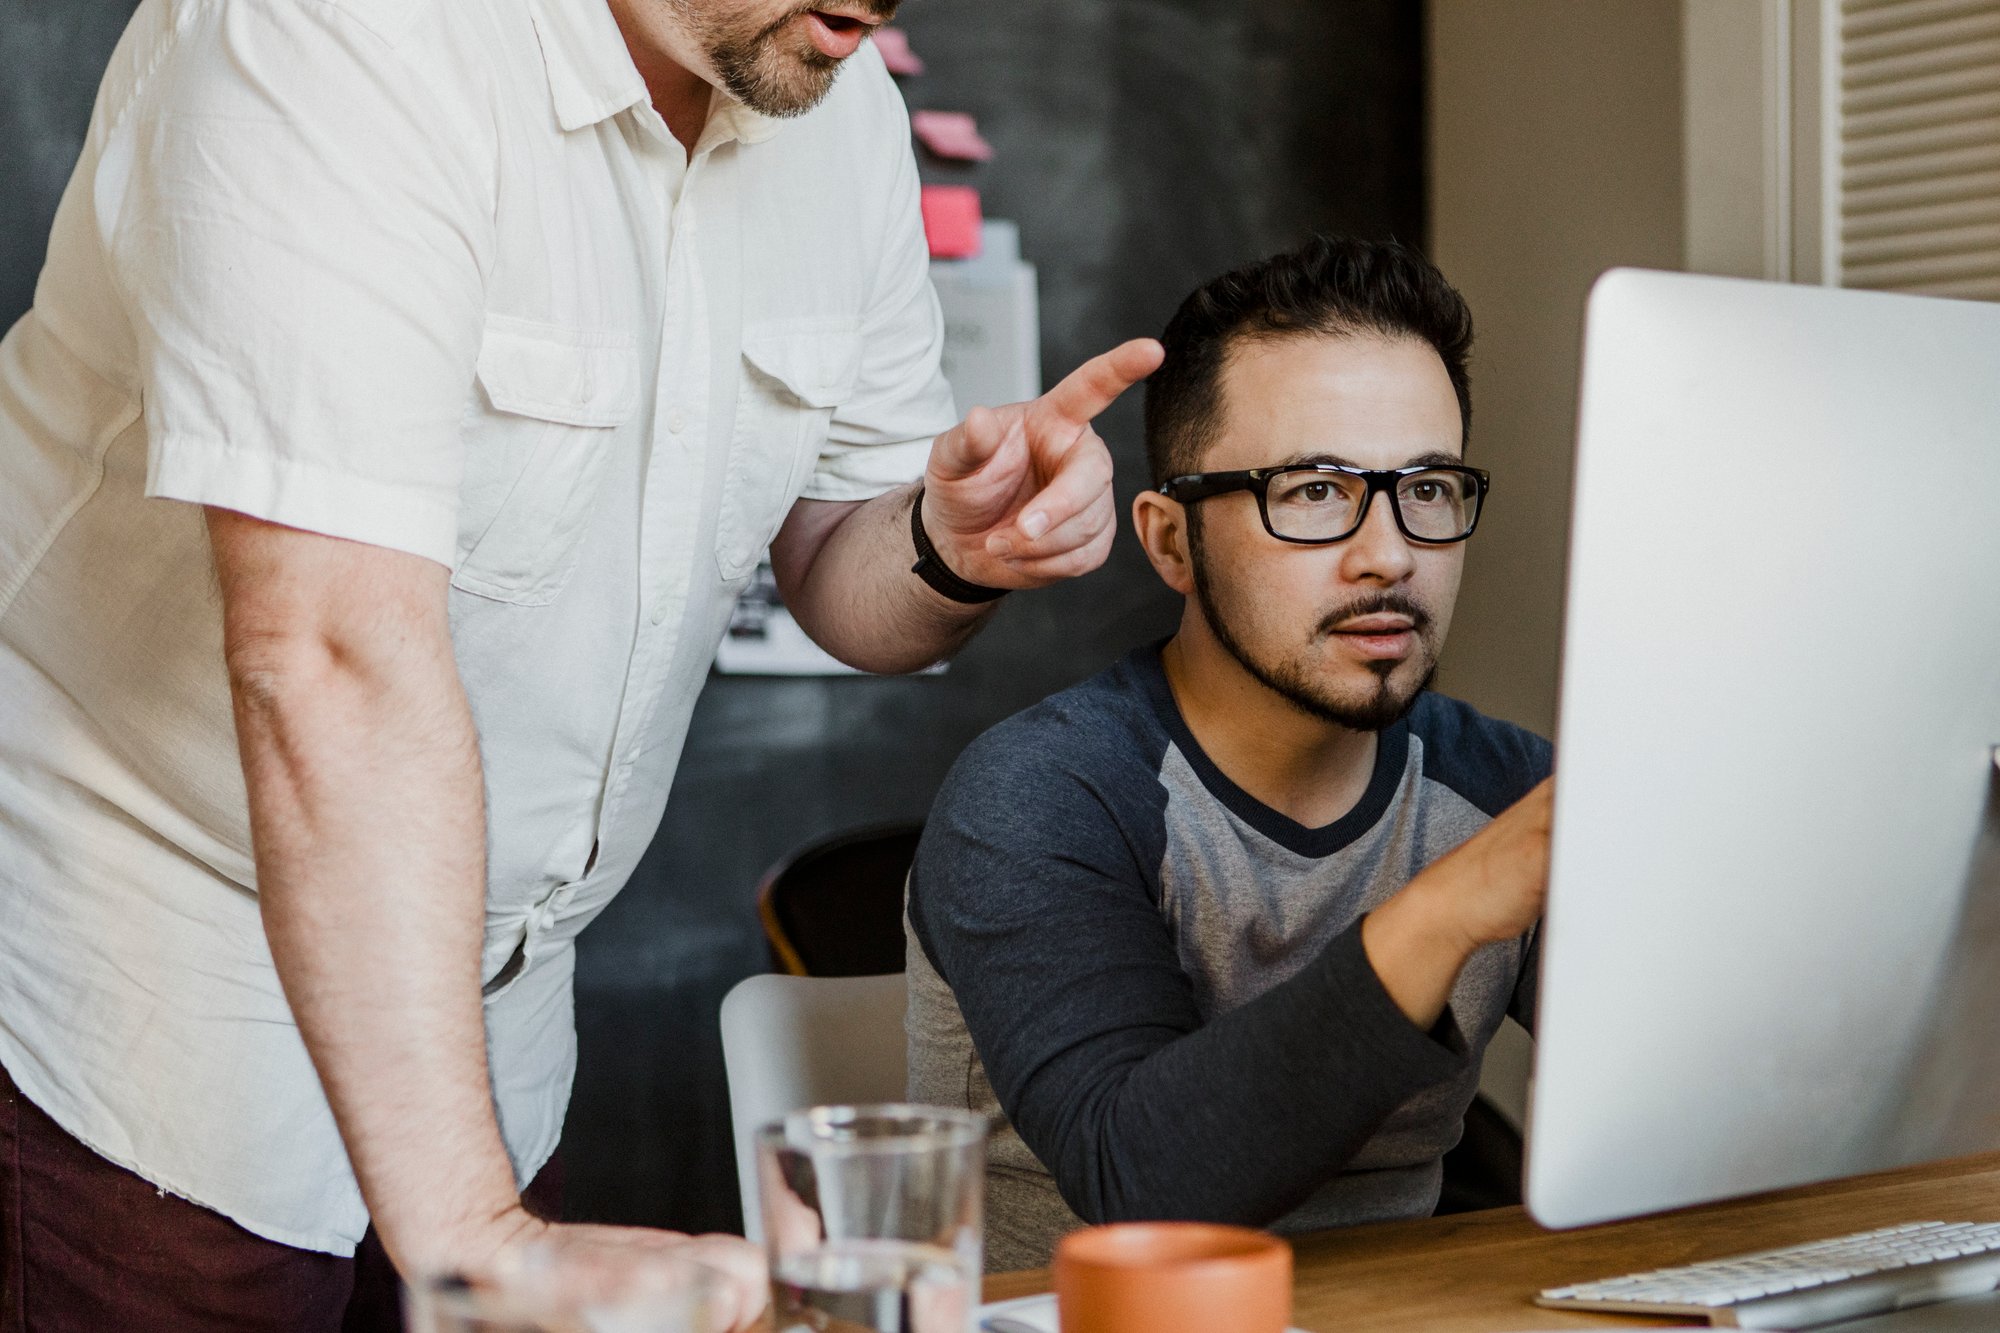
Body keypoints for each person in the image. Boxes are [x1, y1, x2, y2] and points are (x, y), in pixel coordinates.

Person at [0, 0, 1163, 1326]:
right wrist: (480, 1239)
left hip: (489, 1020)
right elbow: (326, 650)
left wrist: (948, 546)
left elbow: (841, 563)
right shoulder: (338, 33)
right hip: (143, 994)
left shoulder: (839, 113)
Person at [904, 235, 1555, 1272]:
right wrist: (1452, 908)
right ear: (1171, 541)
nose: (1390, 553)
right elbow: (1141, 1180)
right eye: (1312, 491)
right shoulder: (1039, 795)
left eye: (1427, 488)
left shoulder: (1503, 789)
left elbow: (1705, 1091)